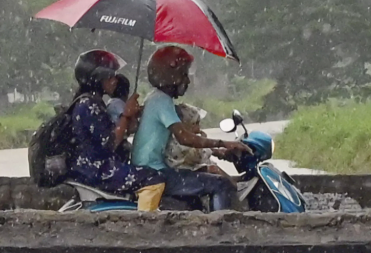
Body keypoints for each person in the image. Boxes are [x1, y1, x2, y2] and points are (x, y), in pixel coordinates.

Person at [131, 46, 249, 212]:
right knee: (221, 184)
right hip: (154, 173)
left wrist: (217, 151)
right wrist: (224, 143)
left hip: (151, 170)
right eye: (184, 75)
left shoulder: (155, 98)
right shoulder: (162, 101)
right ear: (171, 76)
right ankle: (223, 225)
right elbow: (184, 138)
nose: (187, 81)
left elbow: (180, 141)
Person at [66, 50, 165, 211]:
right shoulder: (89, 105)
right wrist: (125, 115)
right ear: (97, 79)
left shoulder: (91, 101)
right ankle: (146, 221)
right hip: (97, 171)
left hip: (90, 168)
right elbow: (110, 143)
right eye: (110, 77)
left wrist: (130, 116)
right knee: (154, 178)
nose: (115, 81)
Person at [164, 104, 229, 177]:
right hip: (182, 173)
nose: (199, 127)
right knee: (213, 169)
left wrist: (217, 151)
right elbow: (200, 156)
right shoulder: (182, 141)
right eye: (196, 124)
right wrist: (204, 140)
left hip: (185, 169)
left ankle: (231, 180)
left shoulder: (178, 138)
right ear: (186, 125)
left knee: (211, 164)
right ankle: (231, 182)